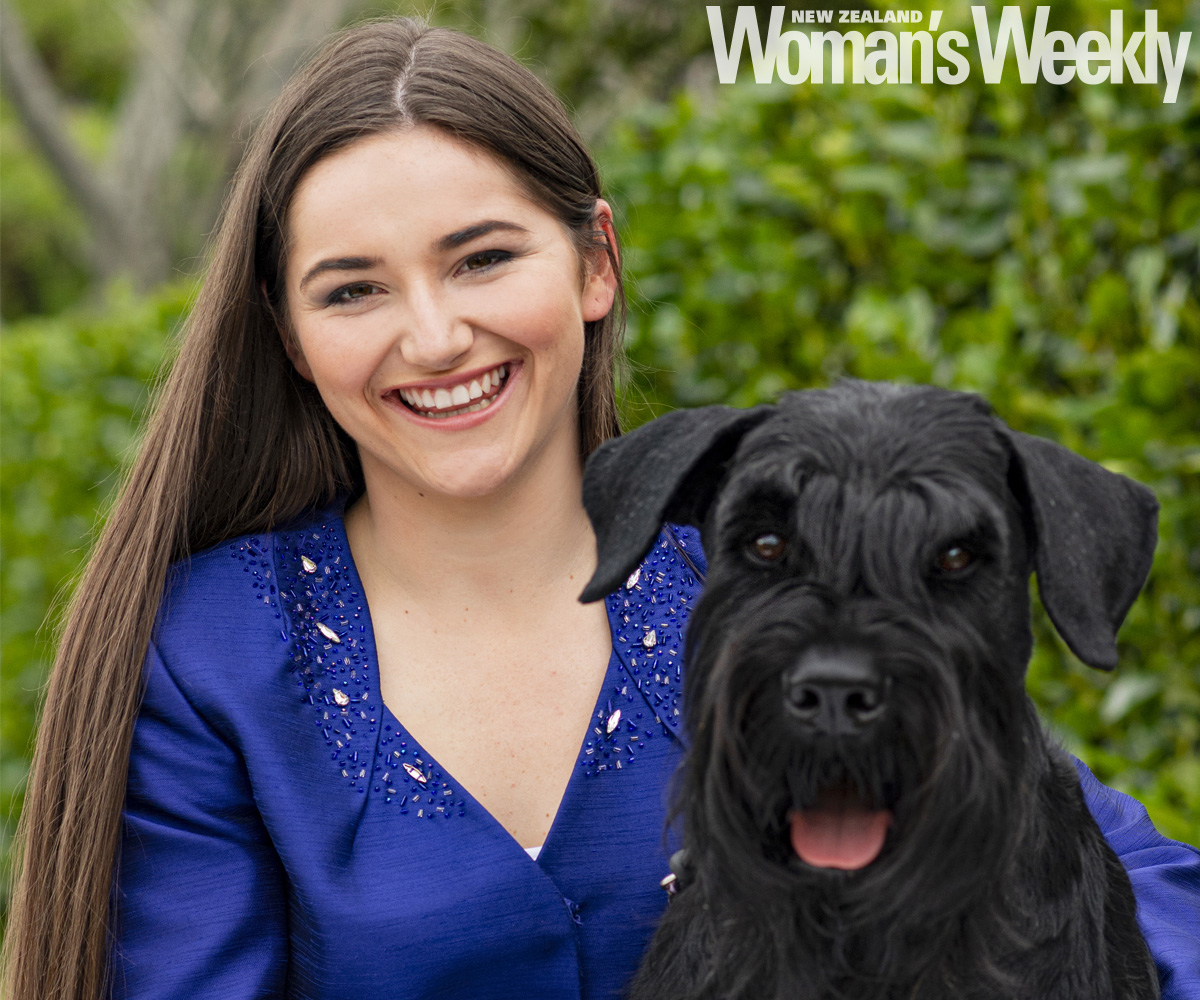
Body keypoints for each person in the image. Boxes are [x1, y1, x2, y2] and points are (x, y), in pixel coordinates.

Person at [4, 15, 1198, 1000]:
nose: (433, 335)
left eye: (482, 259)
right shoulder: (217, 652)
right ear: (292, 339)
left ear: (595, 265)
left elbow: (1096, 852)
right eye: (354, 288)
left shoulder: (768, 579)